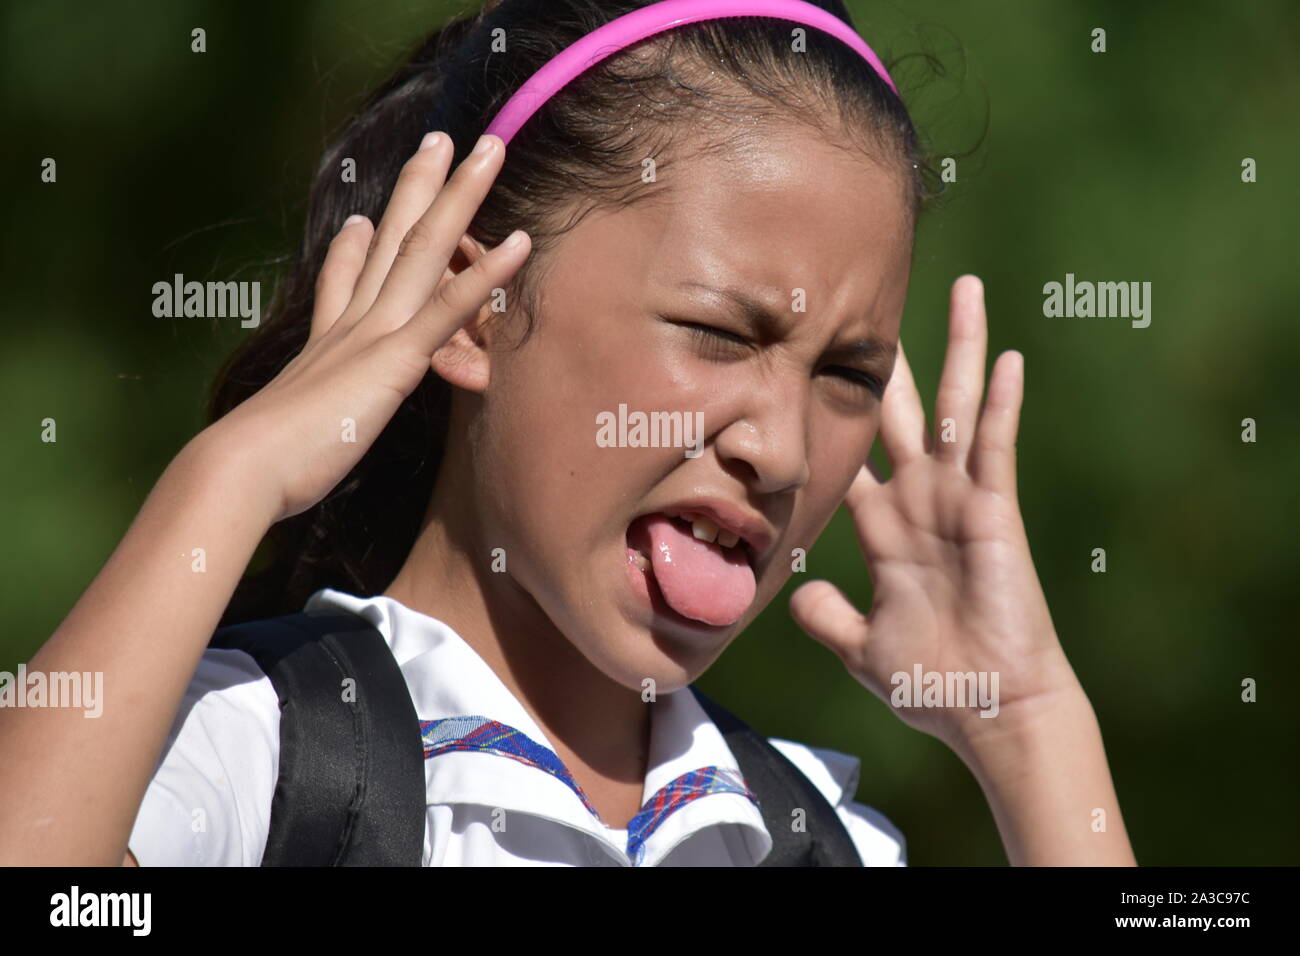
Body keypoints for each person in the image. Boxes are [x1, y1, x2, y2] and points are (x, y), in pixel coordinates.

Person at [0, 0, 1135, 866]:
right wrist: (233, 474)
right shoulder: (251, 755)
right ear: (472, 302)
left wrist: (1034, 734)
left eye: (846, 372)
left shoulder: (816, 834)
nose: (782, 450)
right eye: (718, 330)